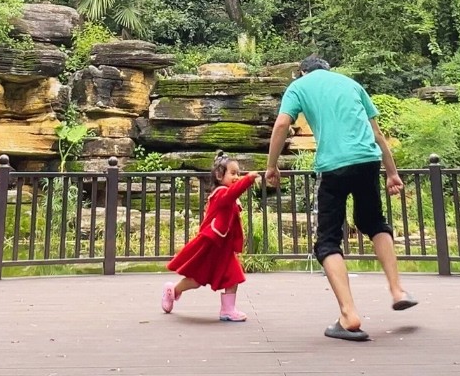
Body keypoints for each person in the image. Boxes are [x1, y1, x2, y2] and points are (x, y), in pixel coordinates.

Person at [265, 55, 417, 342]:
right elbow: (376, 132)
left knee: (327, 240)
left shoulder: (299, 86)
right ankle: (397, 290)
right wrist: (392, 173)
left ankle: (349, 314)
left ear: (301, 72)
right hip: (368, 160)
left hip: (334, 165)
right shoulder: (351, 84)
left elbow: (282, 124)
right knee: (374, 223)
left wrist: (271, 167)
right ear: (328, 70)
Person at [161, 151, 260, 322]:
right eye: (233, 173)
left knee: (233, 276)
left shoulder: (227, 195)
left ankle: (228, 310)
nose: (237, 177)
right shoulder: (221, 193)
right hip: (211, 245)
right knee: (197, 279)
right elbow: (233, 194)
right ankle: (173, 291)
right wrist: (248, 179)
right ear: (220, 175)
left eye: (239, 174)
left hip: (224, 247)